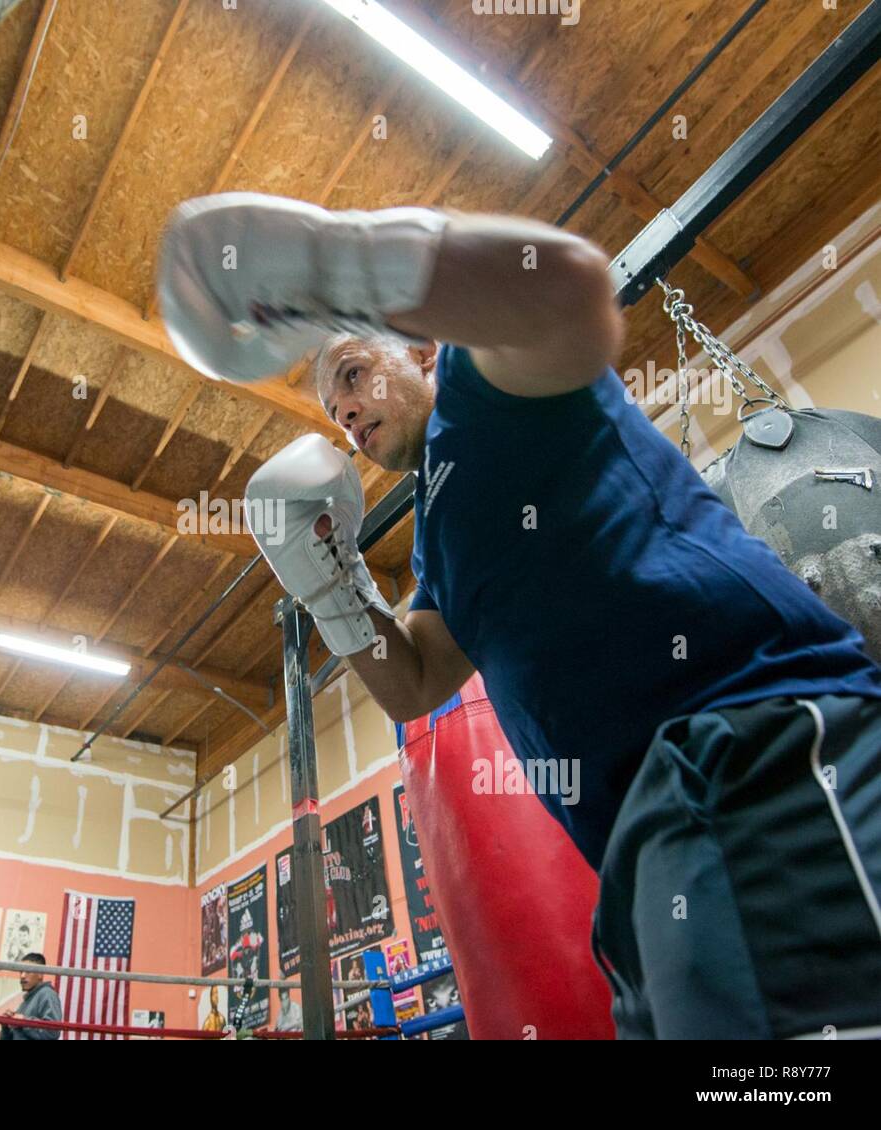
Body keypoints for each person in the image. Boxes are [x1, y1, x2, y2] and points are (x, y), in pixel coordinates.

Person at [159, 193, 881, 1040]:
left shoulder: (484, 383)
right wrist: (330, 580)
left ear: (422, 351)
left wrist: (332, 269)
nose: (345, 412)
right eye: (333, 409)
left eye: (353, 374)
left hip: (752, 757)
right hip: (638, 857)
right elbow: (416, 682)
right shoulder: (439, 532)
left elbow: (568, 289)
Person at [0, 953, 62, 1041]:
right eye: (21, 972)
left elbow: (52, 1032)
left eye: (28, 971)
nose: (22, 976)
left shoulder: (47, 994)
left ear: (40, 974)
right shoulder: (24, 1004)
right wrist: (5, 1026)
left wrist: (24, 1022)